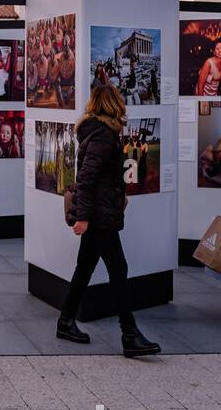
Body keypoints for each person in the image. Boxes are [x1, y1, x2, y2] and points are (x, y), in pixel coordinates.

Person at [57, 84, 161, 357]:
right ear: (113, 104)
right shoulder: (103, 135)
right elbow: (88, 178)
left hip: (100, 212)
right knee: (118, 268)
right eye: (121, 101)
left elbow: (97, 176)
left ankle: (66, 321)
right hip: (99, 217)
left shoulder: (98, 131)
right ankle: (130, 334)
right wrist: (83, 217)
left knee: (85, 267)